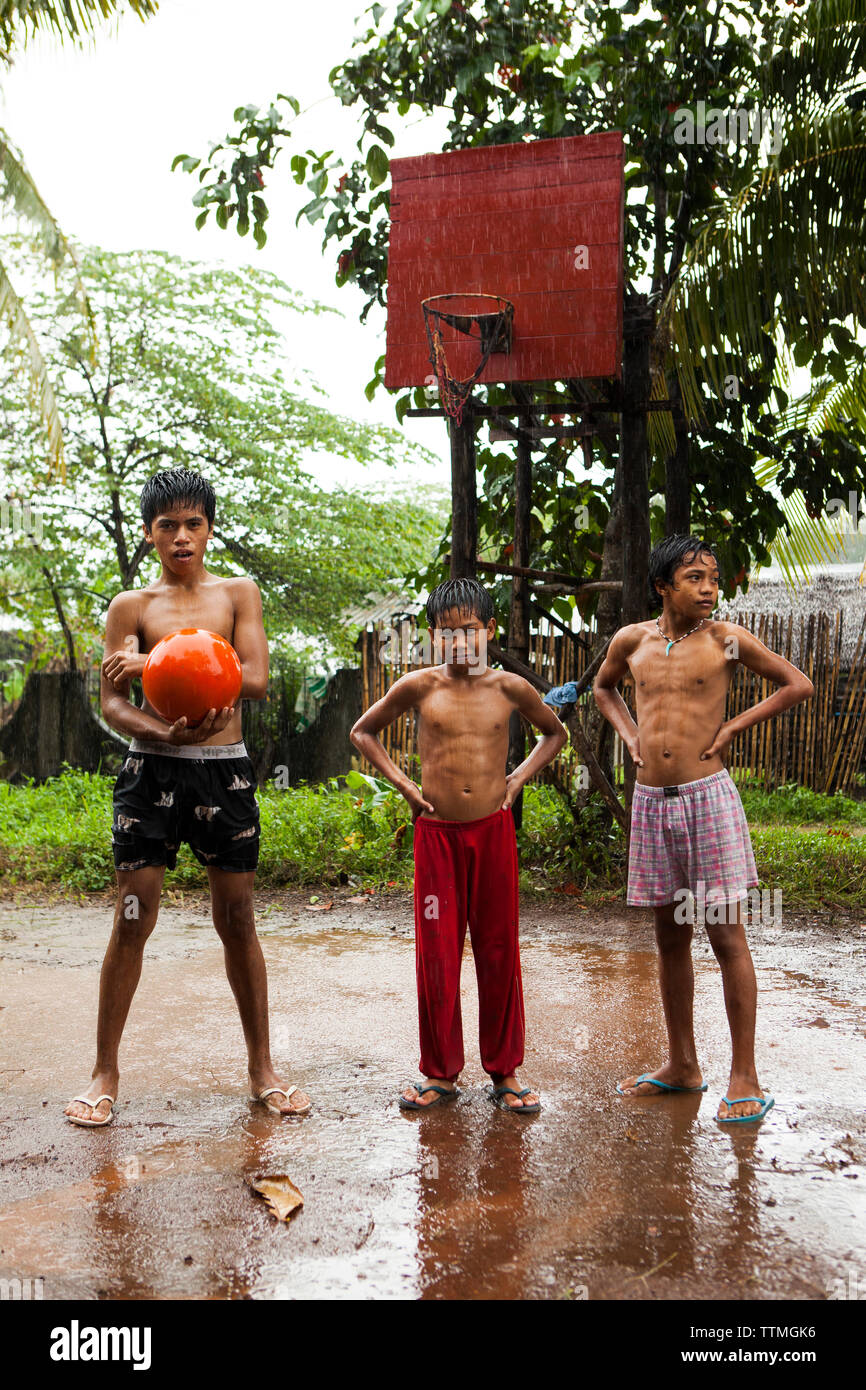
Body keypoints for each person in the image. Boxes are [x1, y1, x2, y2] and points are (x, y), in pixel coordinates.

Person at [64, 468, 310, 1127]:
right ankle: (103, 1071)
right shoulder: (130, 607)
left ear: (208, 529)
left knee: (236, 922)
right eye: (167, 525)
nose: (181, 536)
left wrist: (155, 664)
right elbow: (112, 701)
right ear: (150, 535)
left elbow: (252, 679)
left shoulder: (237, 594)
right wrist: (156, 723)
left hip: (223, 773)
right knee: (132, 918)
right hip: (152, 774)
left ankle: (262, 1069)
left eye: (192, 523)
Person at [593, 535, 813, 1122]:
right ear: (663, 585)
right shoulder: (632, 640)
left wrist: (735, 726)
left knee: (725, 935)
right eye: (695, 578)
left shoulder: (726, 641)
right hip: (651, 803)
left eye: (713, 578)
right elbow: (602, 688)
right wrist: (630, 734)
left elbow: (798, 684)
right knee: (670, 937)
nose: (709, 588)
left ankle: (744, 1076)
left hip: (706, 799)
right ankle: (682, 1064)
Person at [350, 578, 568, 1113]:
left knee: (498, 948)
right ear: (433, 636)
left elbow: (554, 733)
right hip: (437, 835)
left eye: (469, 630)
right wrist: (404, 786)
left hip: (492, 834)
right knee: (438, 953)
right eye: (447, 633)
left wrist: (516, 780)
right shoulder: (418, 687)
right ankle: (439, 1073)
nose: (458, 642)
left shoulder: (510, 688)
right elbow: (363, 732)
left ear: (489, 632)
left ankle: (506, 1071)